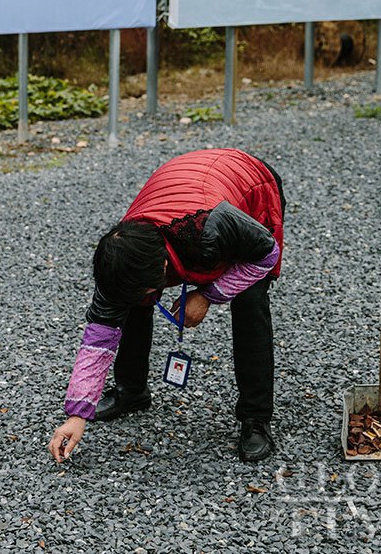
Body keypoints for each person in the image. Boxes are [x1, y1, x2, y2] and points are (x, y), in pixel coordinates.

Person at [48, 148, 285, 463]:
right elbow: (98, 340)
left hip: (248, 182)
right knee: (134, 301)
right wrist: (77, 414)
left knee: (250, 298)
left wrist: (208, 295)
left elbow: (267, 254)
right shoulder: (122, 256)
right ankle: (130, 391)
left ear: (163, 267)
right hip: (182, 185)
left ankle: (255, 418)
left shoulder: (213, 226)